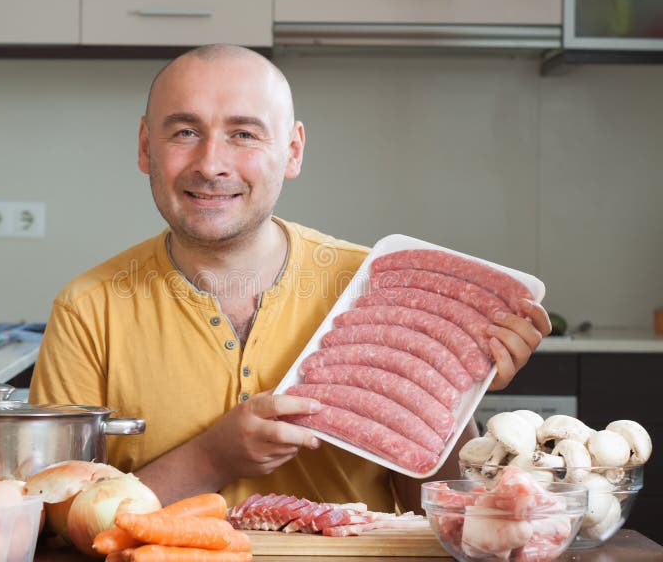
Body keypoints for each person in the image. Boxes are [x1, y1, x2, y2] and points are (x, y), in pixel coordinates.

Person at [28, 44, 552, 514]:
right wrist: (213, 457)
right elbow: (56, 518)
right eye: (185, 132)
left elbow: (447, 515)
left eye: (244, 134)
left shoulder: (375, 287)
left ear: (293, 150)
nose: (211, 164)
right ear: (147, 147)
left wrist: (446, 390)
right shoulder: (88, 308)